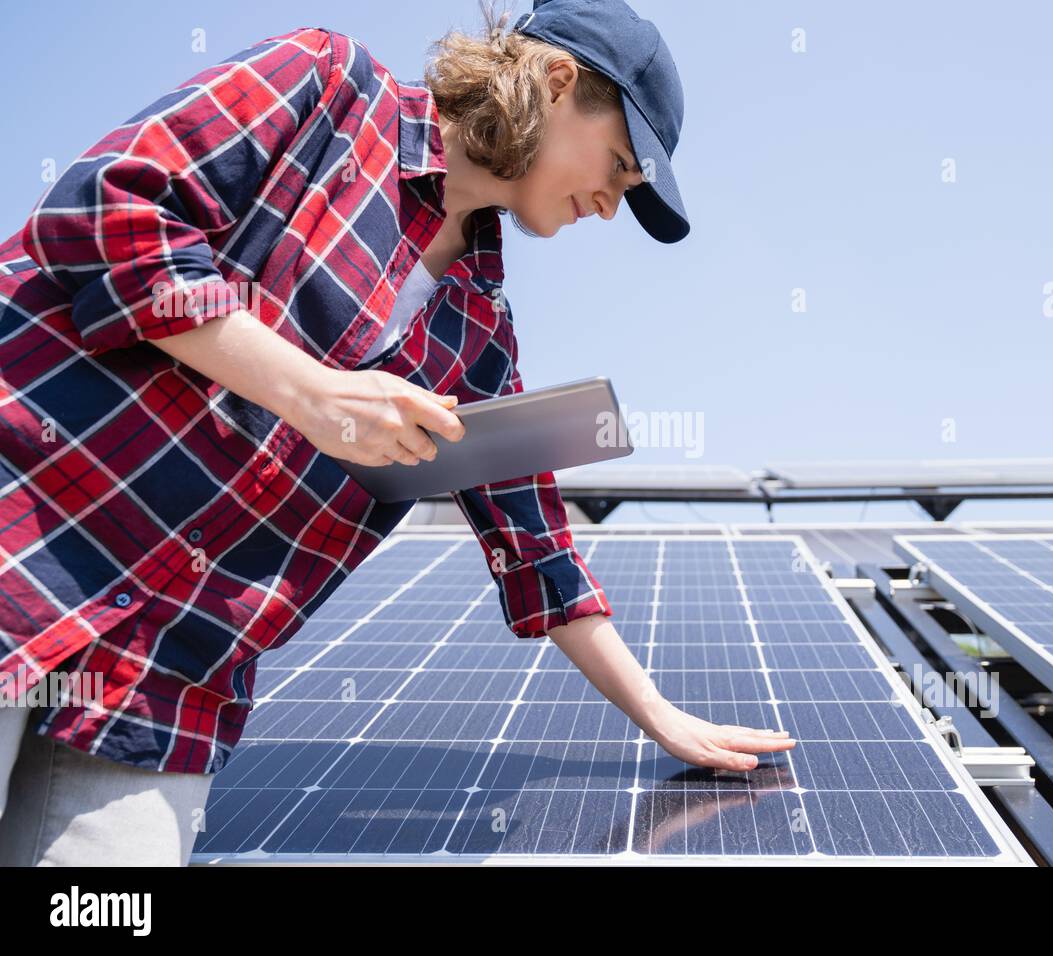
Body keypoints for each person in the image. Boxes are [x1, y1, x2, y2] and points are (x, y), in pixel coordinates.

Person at [0, 0, 795, 866]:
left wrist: (662, 715)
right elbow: (107, 215)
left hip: (163, 683)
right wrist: (311, 394)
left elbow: (537, 552)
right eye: (620, 165)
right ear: (559, 82)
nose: (610, 206)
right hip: (28, 550)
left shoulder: (478, 333)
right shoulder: (327, 89)